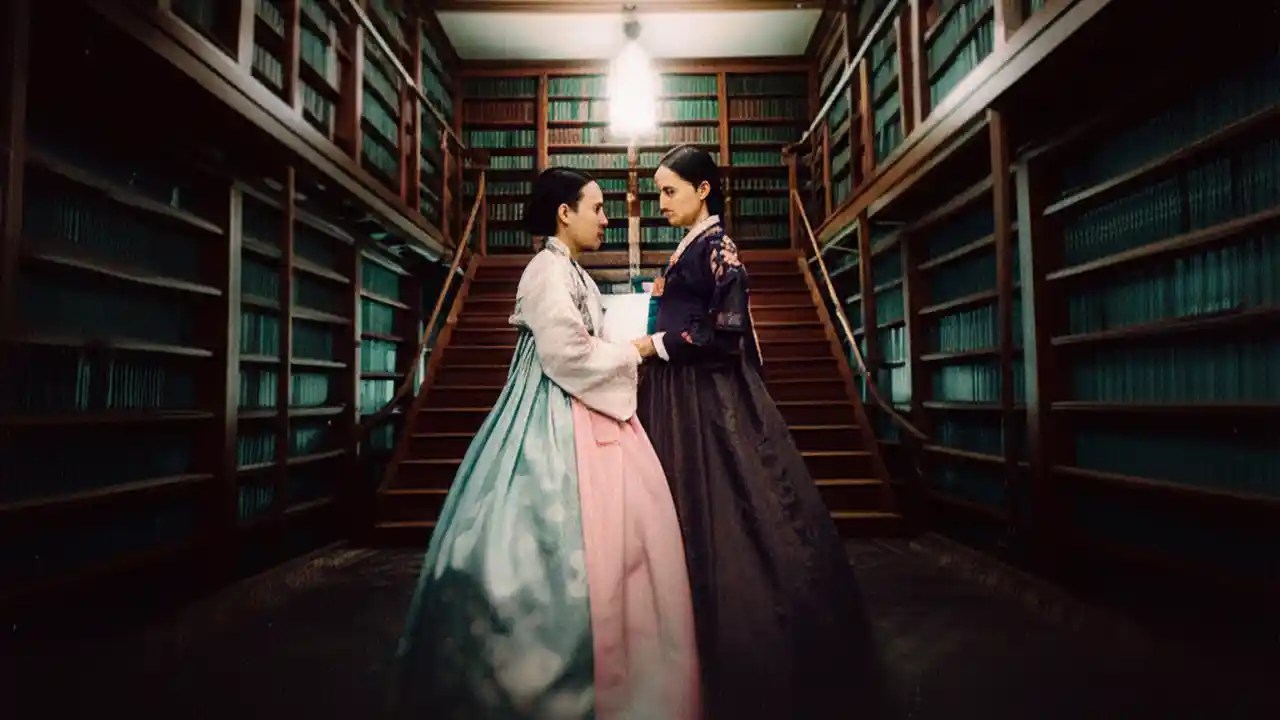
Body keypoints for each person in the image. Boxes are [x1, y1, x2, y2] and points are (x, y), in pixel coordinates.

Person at [388, 167, 700, 720]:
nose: (607, 219)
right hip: (551, 407)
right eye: (598, 208)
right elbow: (565, 355)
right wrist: (633, 353)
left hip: (582, 405)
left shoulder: (571, 272)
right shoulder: (545, 272)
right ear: (565, 212)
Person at [635, 145, 892, 719]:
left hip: (709, 394)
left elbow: (724, 334)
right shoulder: (695, 246)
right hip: (683, 393)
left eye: (669, 190)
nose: (661, 202)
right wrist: (665, 299)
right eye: (658, 192)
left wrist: (655, 341)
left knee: (729, 503)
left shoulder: (718, 245)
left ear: (703, 190)